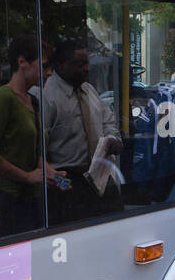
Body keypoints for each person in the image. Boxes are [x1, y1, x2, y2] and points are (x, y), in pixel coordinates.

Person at [0, 36, 62, 241]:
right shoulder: (5, 97)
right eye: (45, 66)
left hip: (30, 202)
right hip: (6, 202)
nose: (49, 73)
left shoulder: (33, 101)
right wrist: (27, 176)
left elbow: (32, 151)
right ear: (22, 62)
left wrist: (49, 172)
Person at [40, 39, 124, 224]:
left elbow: (109, 121)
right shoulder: (47, 96)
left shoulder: (89, 90)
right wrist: (60, 185)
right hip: (67, 178)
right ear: (60, 65)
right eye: (79, 64)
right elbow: (36, 149)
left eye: (87, 63)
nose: (86, 69)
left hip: (100, 174)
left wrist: (111, 139)